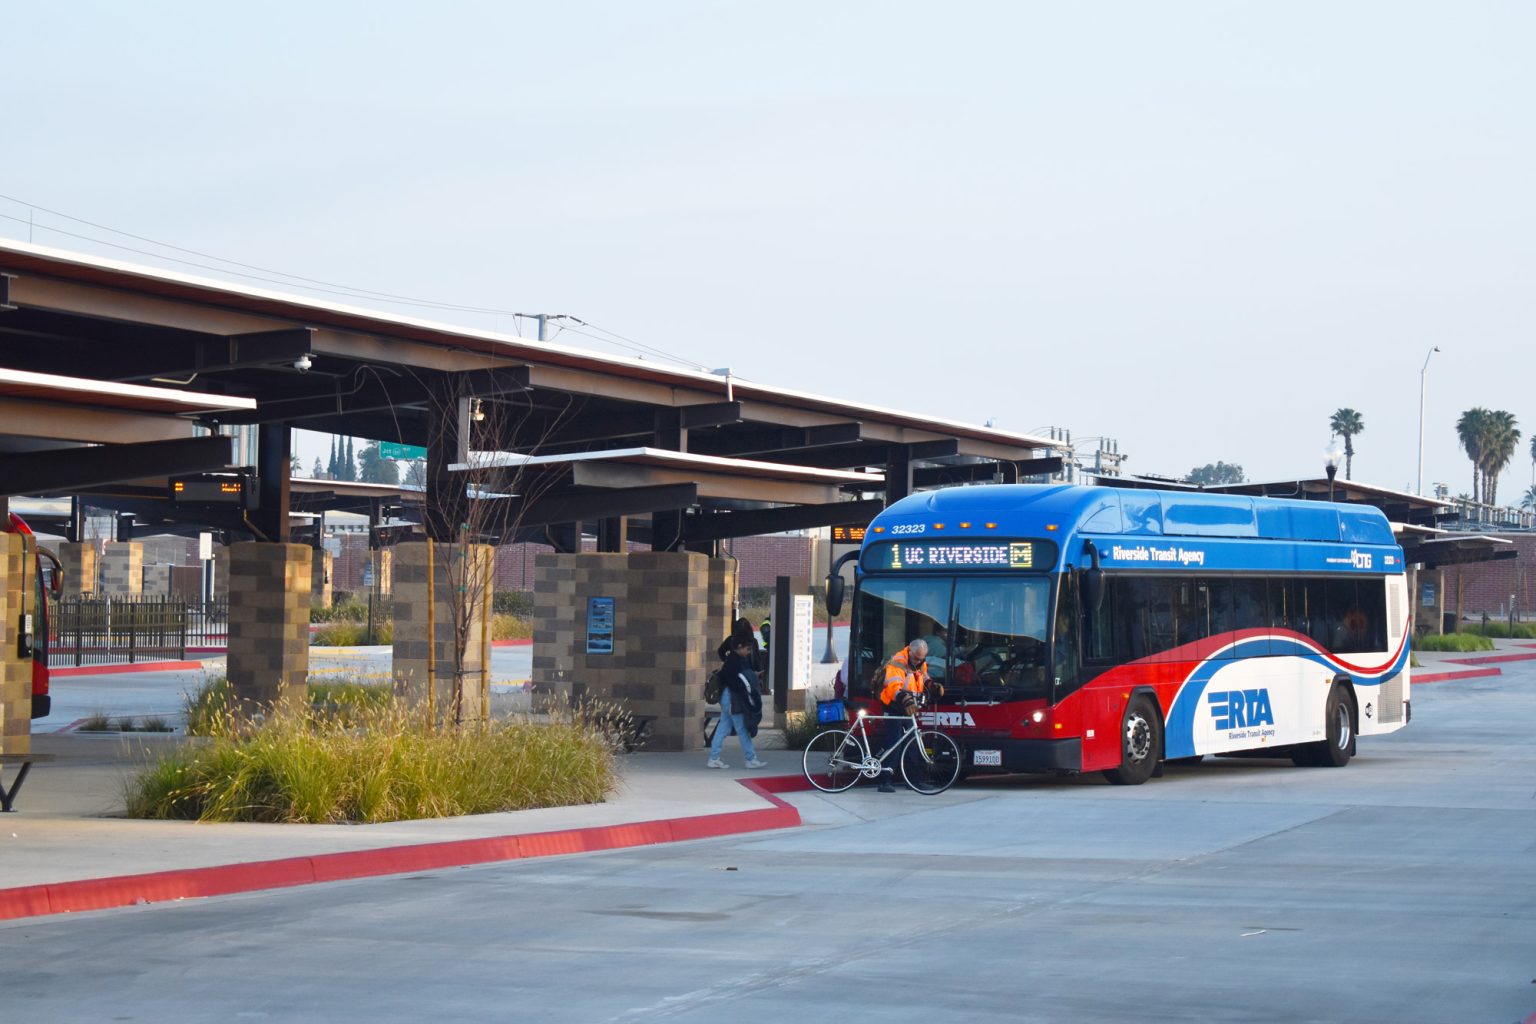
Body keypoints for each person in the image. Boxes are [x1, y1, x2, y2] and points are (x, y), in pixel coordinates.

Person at [874, 638, 942, 792]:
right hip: (893, 706)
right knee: (894, 742)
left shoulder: (919, 662)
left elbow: (924, 678)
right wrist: (905, 700)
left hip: (908, 706)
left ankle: (914, 781)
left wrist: (933, 686)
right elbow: (893, 687)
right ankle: (885, 781)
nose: (919, 661)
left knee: (913, 742)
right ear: (910, 652)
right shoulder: (898, 663)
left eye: (922, 659)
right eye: (916, 658)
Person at [707, 637, 767, 770]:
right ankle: (750, 759)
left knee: (723, 727)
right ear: (739, 646)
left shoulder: (732, 660)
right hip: (732, 698)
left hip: (727, 697)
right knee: (742, 729)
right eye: (748, 649)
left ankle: (714, 757)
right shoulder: (735, 661)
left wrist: (751, 676)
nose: (749, 652)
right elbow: (737, 681)